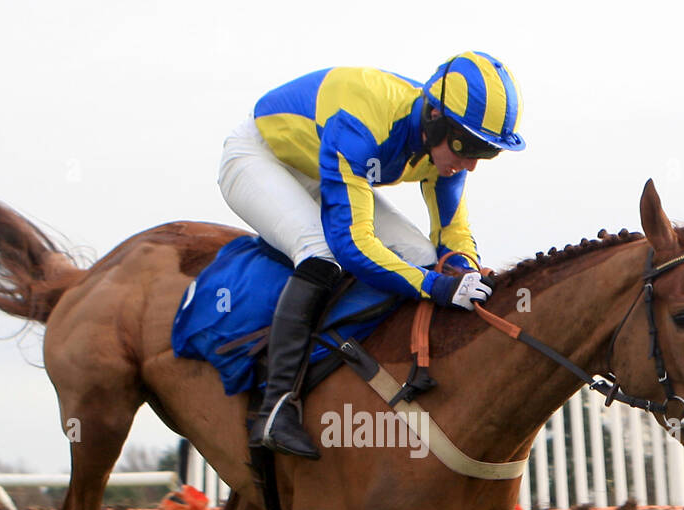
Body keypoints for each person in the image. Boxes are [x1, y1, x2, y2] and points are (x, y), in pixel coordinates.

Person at [218, 52, 525, 458]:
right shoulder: (363, 126)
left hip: (321, 164)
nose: (470, 162)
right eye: (465, 145)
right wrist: (437, 286)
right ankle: (276, 407)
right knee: (321, 254)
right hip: (262, 159)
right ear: (433, 115)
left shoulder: (443, 143)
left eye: (486, 152)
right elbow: (354, 246)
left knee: (418, 253)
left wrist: (463, 274)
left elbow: (451, 233)